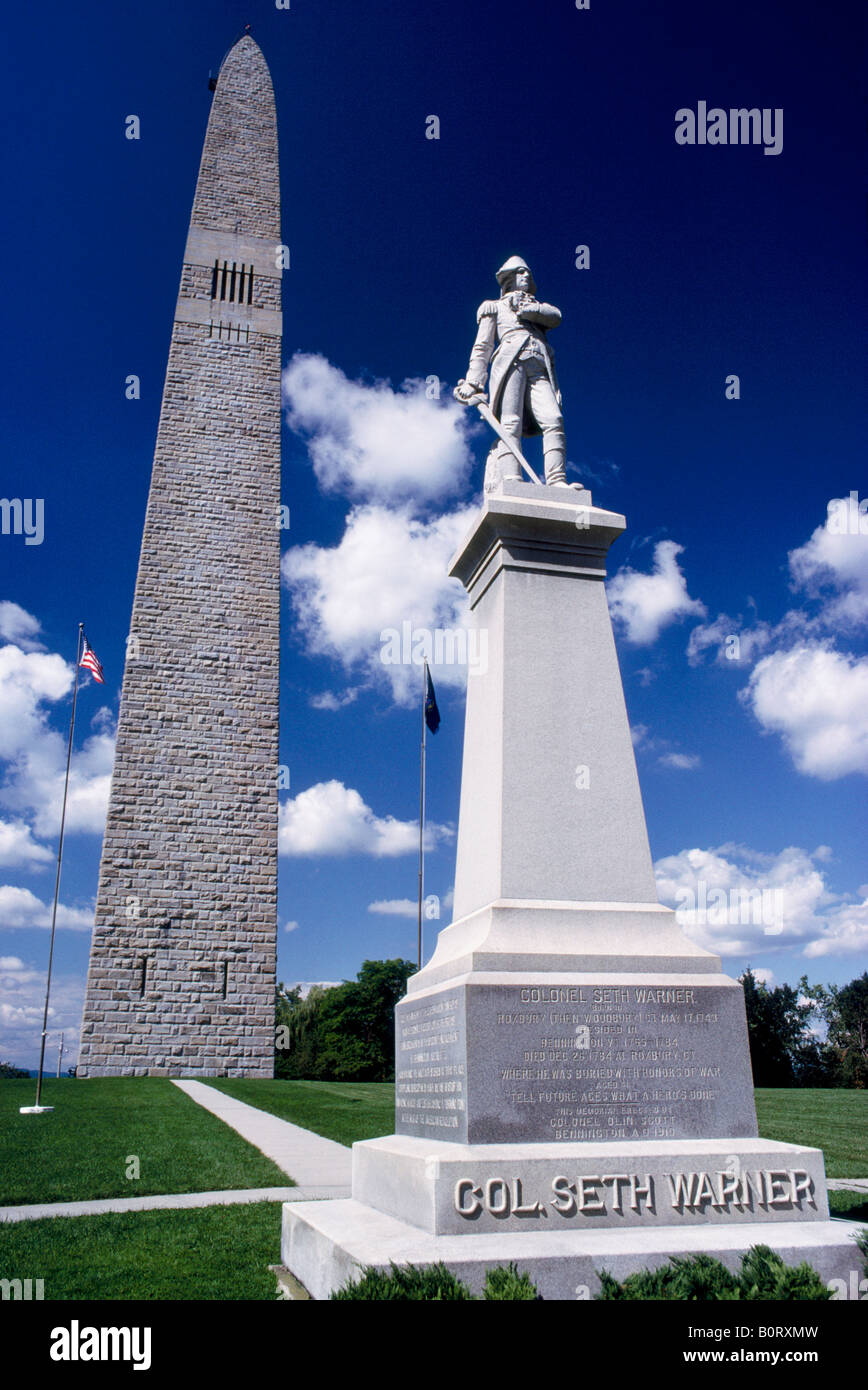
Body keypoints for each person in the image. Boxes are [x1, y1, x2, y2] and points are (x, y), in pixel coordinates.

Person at [456, 256, 576, 489]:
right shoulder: (494, 306)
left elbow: (556, 317)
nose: (525, 277)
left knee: (554, 419)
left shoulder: (538, 310)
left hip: (539, 365)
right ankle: (512, 480)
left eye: (527, 273)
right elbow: (482, 346)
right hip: (511, 361)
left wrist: (529, 310)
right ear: (509, 278)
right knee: (510, 422)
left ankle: (557, 480)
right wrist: (473, 382)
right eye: (520, 272)